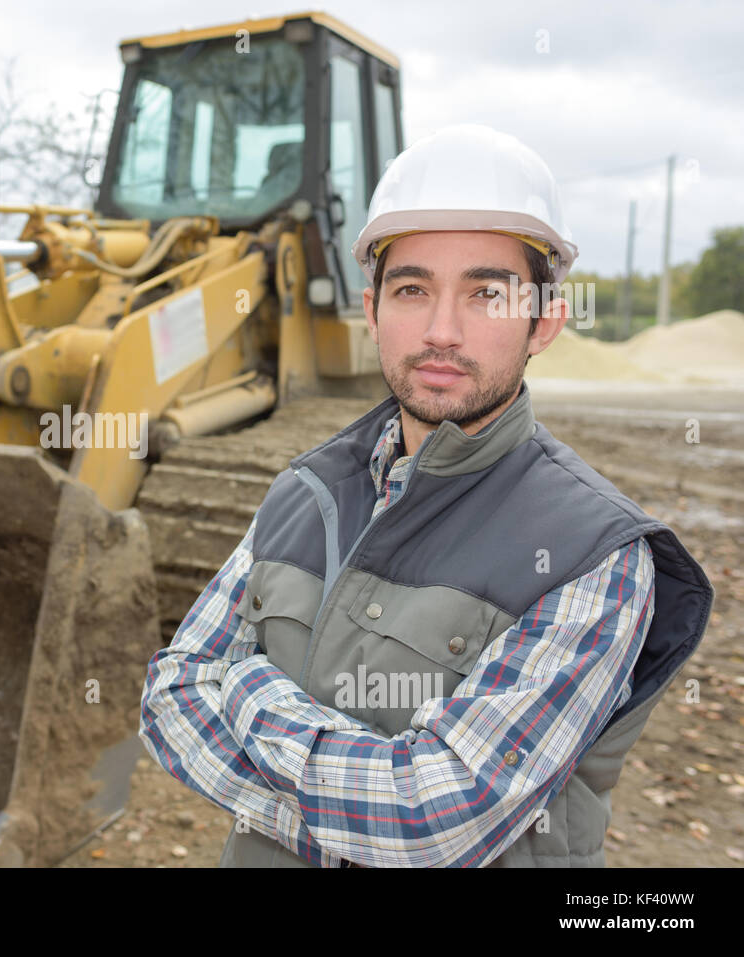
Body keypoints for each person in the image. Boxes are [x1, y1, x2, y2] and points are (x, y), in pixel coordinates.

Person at [138, 124, 714, 868]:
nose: (442, 330)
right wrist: (347, 794)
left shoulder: (592, 552)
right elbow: (170, 697)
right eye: (413, 289)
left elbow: (434, 820)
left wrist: (245, 690)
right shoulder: (303, 493)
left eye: (486, 293)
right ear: (372, 310)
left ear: (545, 321)